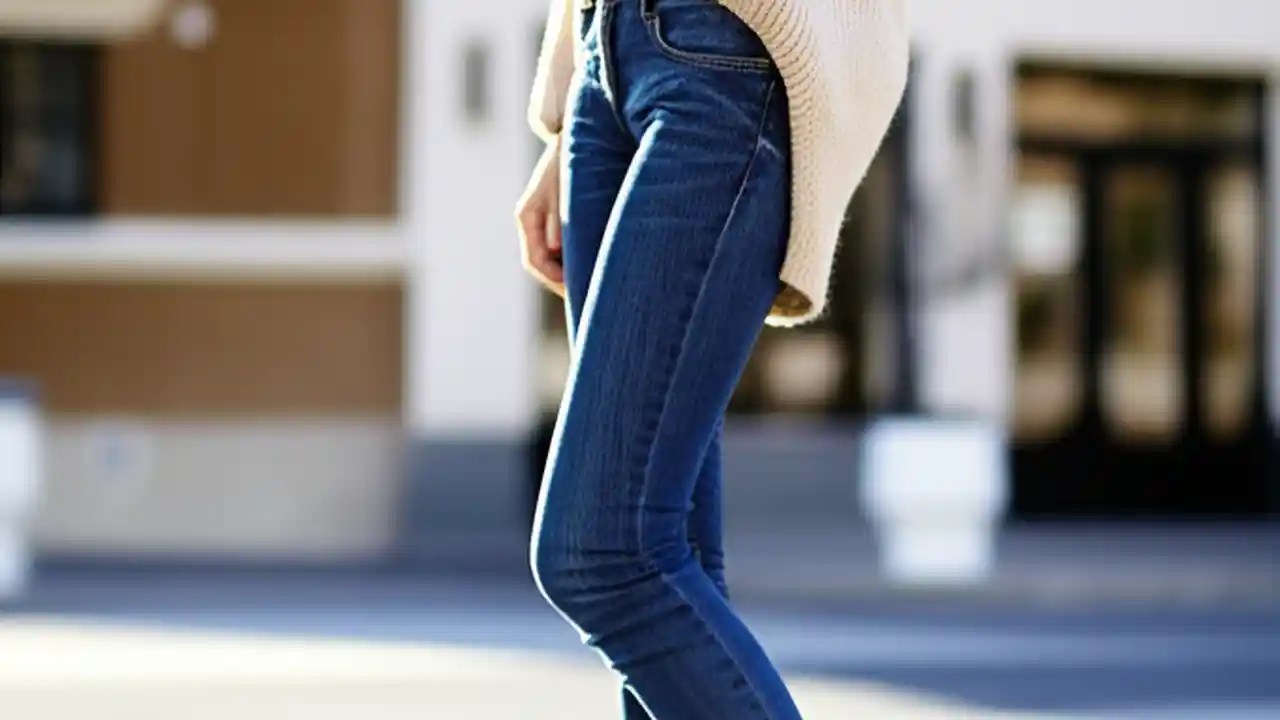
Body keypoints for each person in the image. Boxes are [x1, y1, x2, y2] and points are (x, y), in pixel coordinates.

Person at [515, 1, 909, 717]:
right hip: (605, 66)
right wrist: (572, 96)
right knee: (669, 569)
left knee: (603, 553)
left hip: (721, 51)